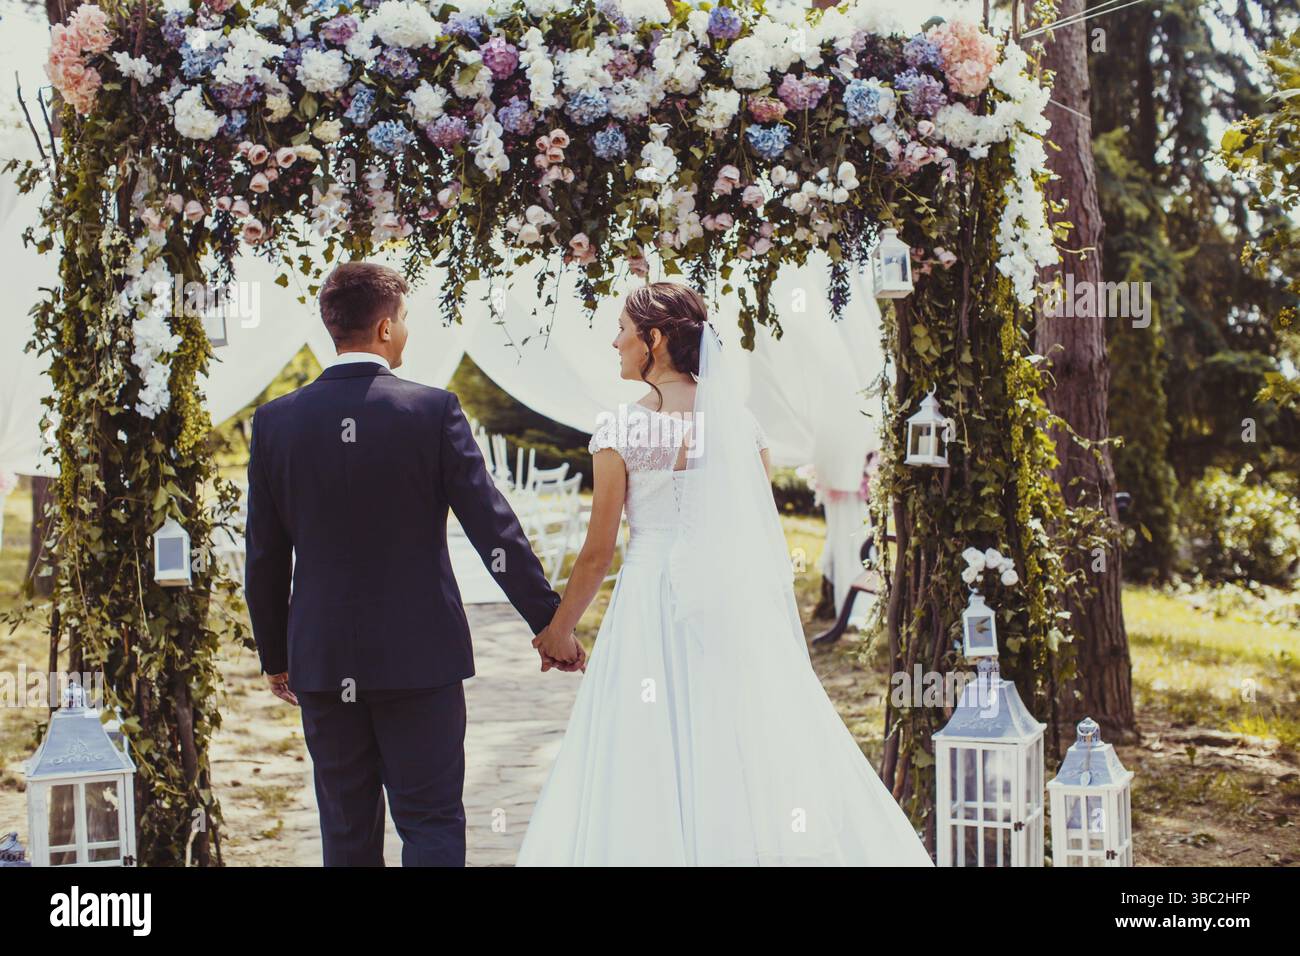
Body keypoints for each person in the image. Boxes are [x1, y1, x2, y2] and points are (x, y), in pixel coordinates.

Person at [518, 282, 934, 866]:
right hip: (726, 606)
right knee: (729, 732)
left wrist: (559, 631)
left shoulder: (622, 430)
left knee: (648, 740)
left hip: (649, 602)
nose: (615, 341)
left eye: (623, 329)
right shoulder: (742, 427)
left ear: (654, 340)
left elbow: (597, 552)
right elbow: (752, 533)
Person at [244, 261, 582, 867]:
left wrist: (276, 654)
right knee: (430, 821)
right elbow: (492, 529)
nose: (406, 332)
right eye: (403, 320)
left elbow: (265, 553)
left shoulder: (276, 422)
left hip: (322, 659)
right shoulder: (432, 412)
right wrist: (548, 622)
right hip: (420, 656)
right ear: (383, 328)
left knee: (345, 831)